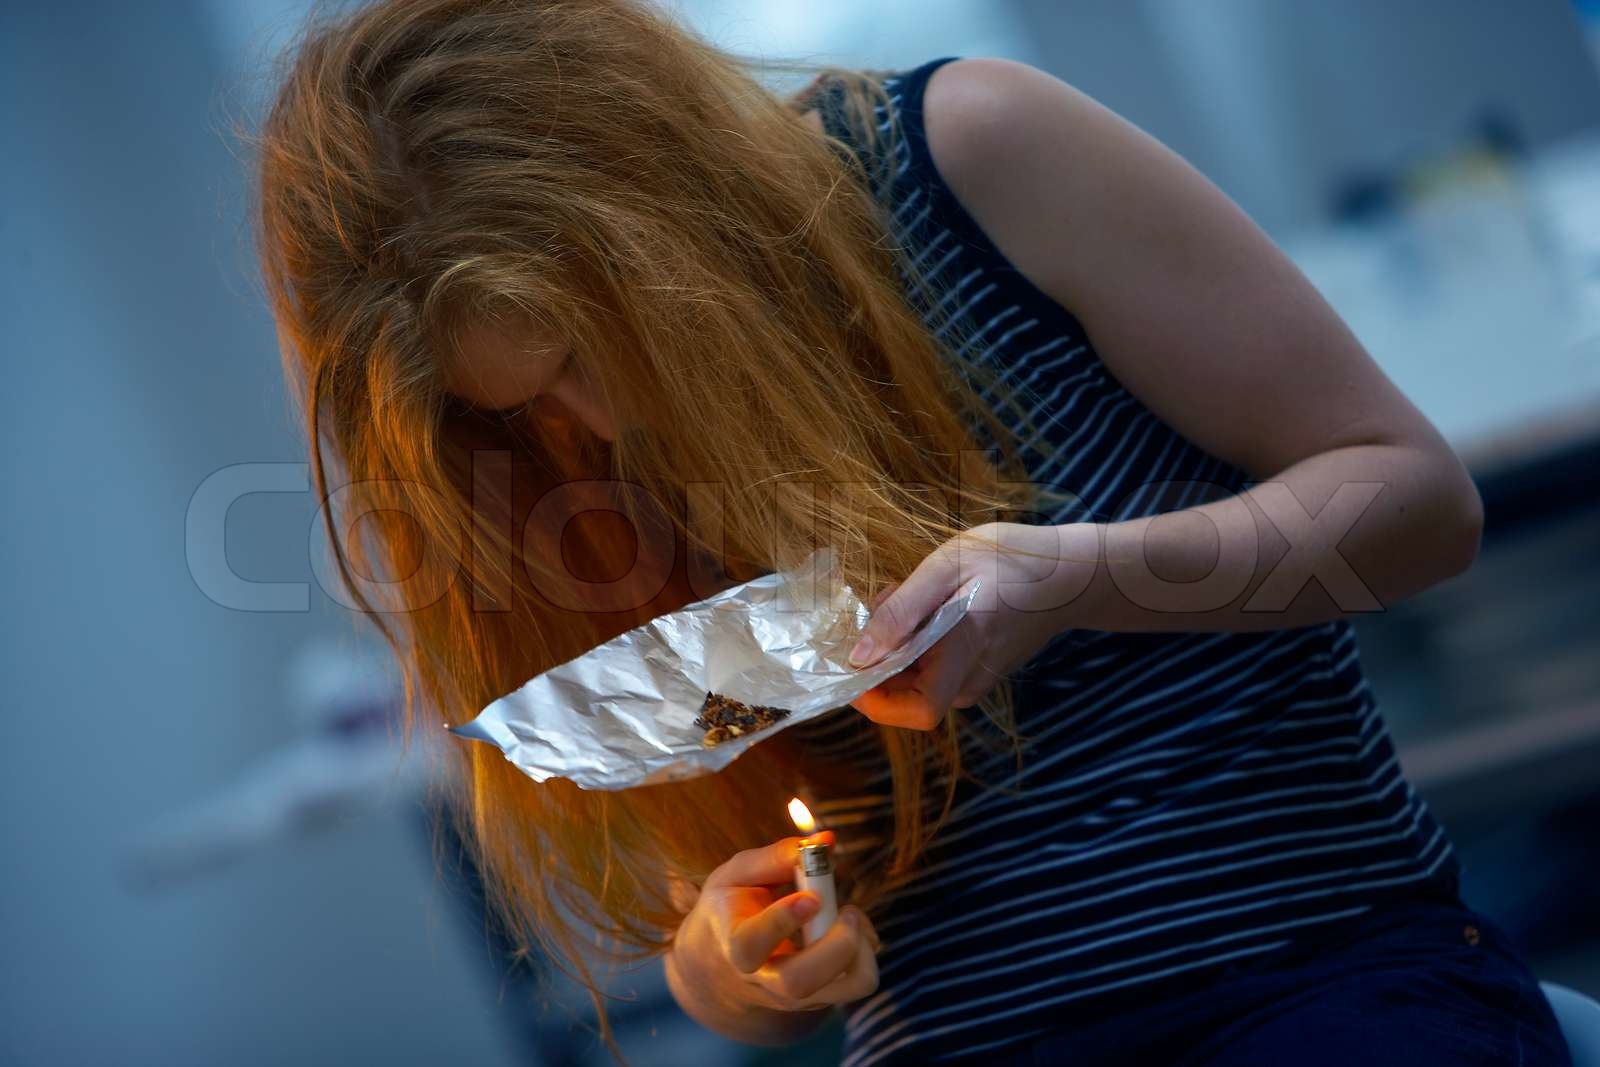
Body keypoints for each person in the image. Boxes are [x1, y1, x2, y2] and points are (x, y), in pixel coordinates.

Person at [252, 1, 1571, 1063]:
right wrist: (740, 969)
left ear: (673, 210)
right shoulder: (537, 465)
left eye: (599, 345)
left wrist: (1085, 577)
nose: (595, 422)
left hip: (1304, 980)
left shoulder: (973, 157)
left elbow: (1414, 504)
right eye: (533, 400)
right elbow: (718, 914)